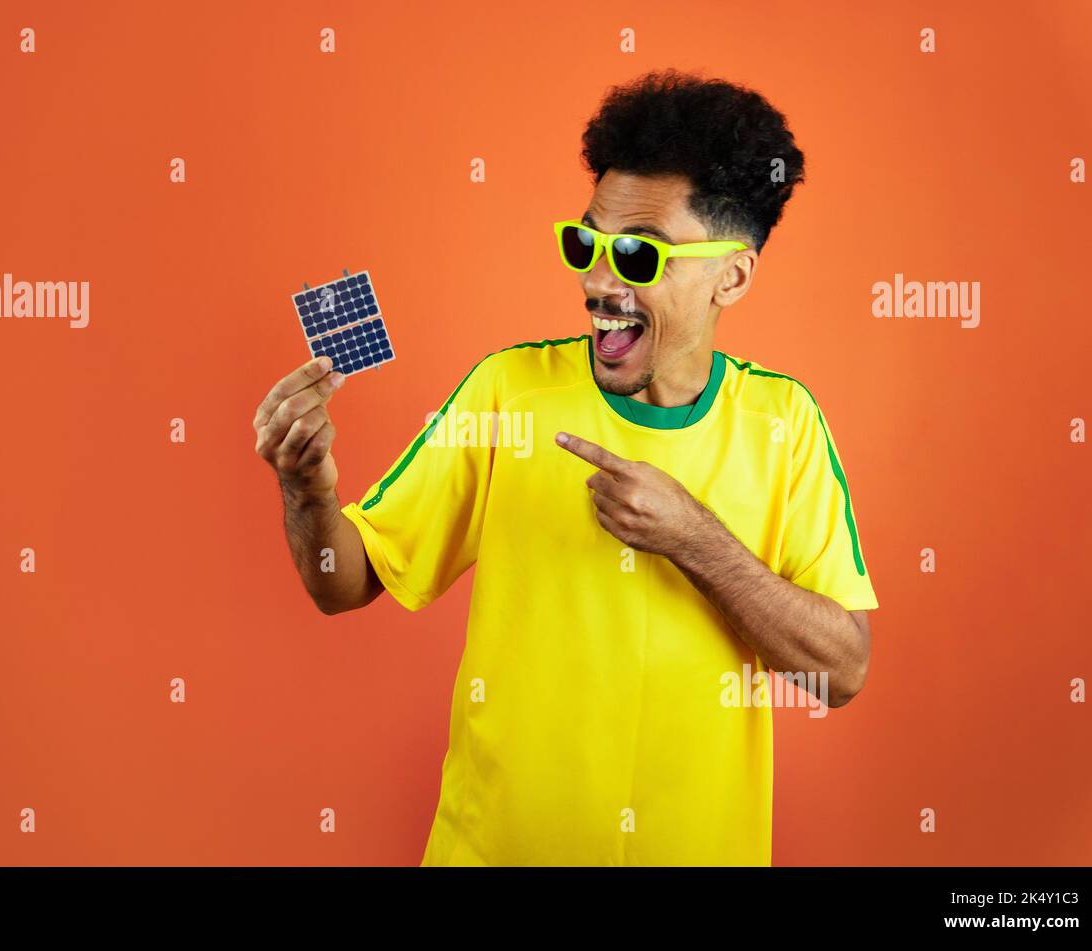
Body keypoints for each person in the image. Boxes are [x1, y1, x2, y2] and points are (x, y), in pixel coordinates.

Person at [254, 69, 878, 866]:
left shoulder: (784, 425)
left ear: (734, 274)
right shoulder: (506, 392)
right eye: (586, 244)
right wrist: (306, 488)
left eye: (641, 255)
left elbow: (842, 670)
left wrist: (695, 541)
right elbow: (340, 583)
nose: (598, 282)